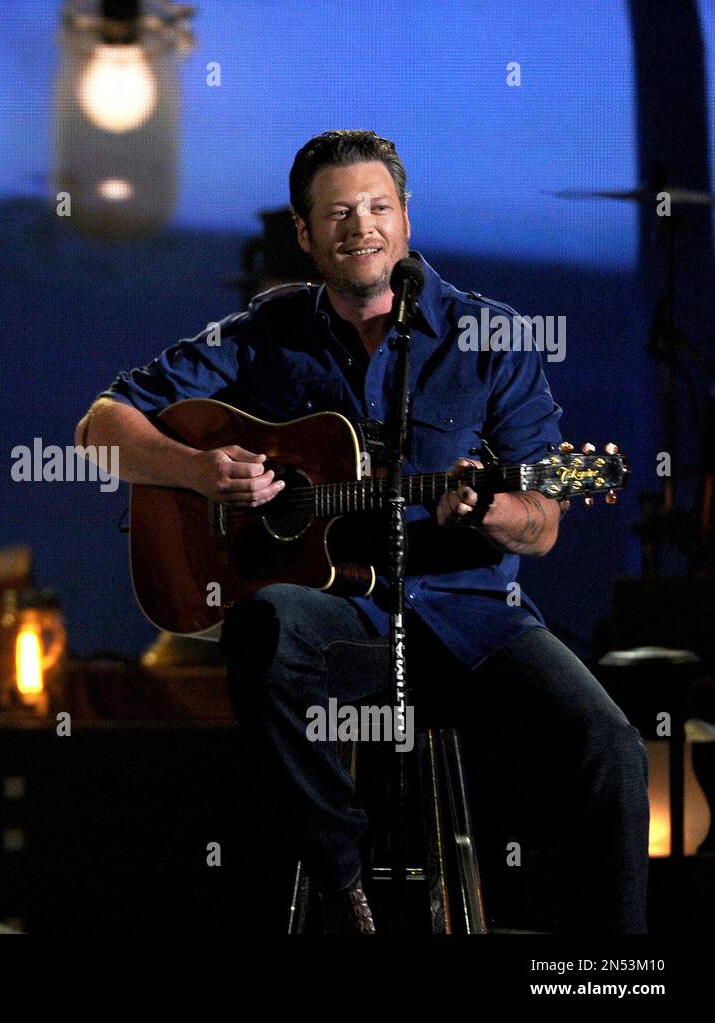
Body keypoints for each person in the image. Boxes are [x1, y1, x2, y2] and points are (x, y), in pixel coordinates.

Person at [76, 130, 649, 933]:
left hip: (471, 620)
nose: (362, 226)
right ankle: (348, 886)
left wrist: (490, 510)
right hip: (344, 620)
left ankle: (609, 975)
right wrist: (197, 471)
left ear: (407, 221)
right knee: (267, 626)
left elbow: (543, 522)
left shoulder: (492, 338)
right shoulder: (268, 329)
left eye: (379, 207)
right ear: (306, 234)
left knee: (611, 748)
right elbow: (100, 425)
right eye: (338, 212)